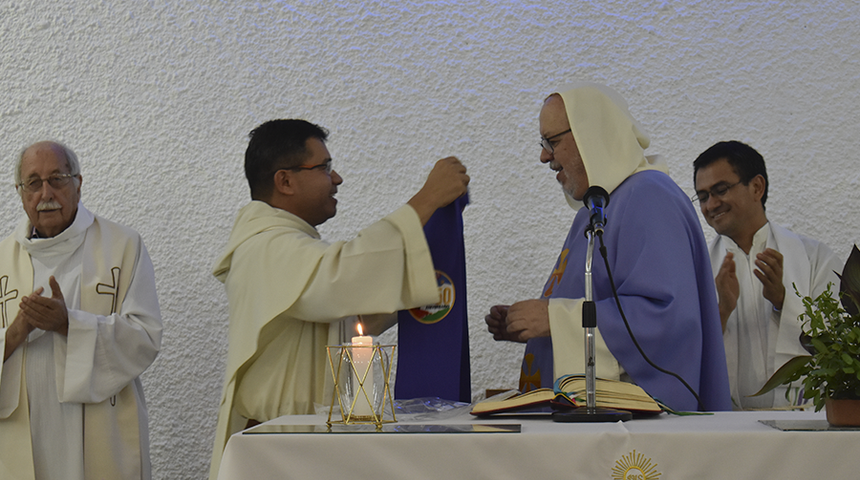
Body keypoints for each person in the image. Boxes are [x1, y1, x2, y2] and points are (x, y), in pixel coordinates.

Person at [210, 119, 469, 478]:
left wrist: (426, 283)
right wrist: (426, 201)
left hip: (310, 445)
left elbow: (353, 309)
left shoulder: (293, 248)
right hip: (281, 451)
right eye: (324, 167)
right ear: (284, 181)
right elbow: (343, 276)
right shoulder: (264, 246)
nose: (337, 179)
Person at [485, 82, 731, 412]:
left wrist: (553, 319)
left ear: (591, 134)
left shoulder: (649, 195)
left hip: (641, 433)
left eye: (552, 142)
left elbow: (667, 320)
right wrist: (531, 326)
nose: (544, 156)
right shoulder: (597, 209)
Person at [0, 141, 162, 479]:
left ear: (78, 183)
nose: (45, 192)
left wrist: (68, 324)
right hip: (22, 431)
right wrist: (15, 332)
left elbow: (145, 336)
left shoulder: (122, 245)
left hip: (102, 429)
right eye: (33, 183)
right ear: (19, 192)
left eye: (57, 178)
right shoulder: (2, 258)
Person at [692, 140, 842, 409]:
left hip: (804, 416)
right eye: (702, 197)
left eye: (720, 190)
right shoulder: (696, 269)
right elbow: (685, 357)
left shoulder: (815, 258)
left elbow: (839, 345)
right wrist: (722, 312)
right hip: (728, 424)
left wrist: (782, 301)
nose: (711, 205)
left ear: (756, 187)